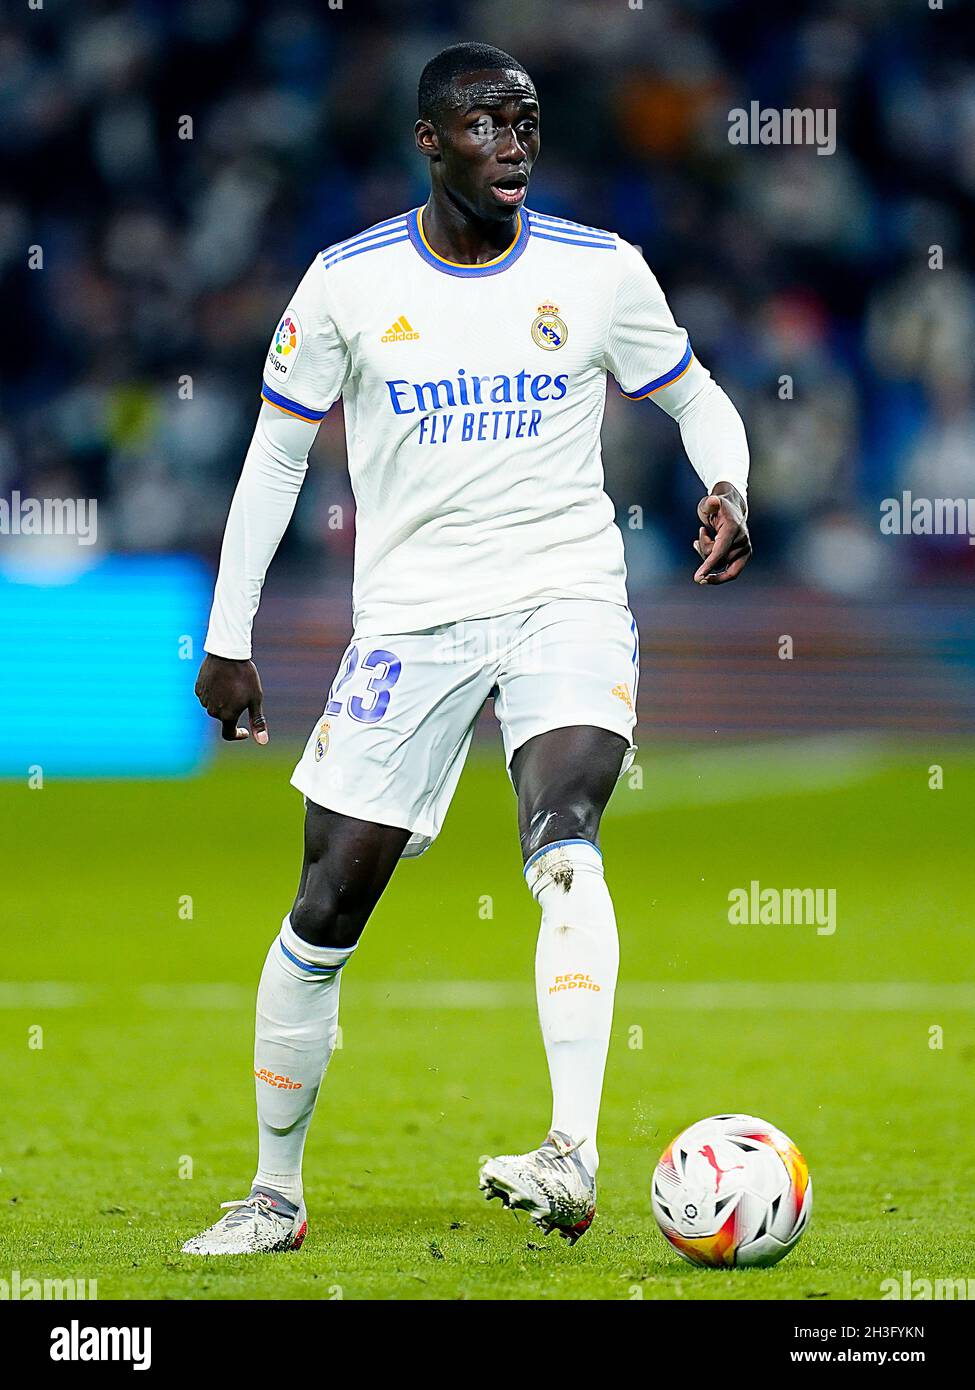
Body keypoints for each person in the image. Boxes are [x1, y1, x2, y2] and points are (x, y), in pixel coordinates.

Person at [183, 41, 751, 1256]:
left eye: (529, 124)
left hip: (566, 593)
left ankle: (570, 1152)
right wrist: (228, 638)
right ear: (431, 142)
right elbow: (276, 457)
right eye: (487, 126)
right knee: (327, 901)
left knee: (567, 838)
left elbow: (698, 396)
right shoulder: (345, 283)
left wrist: (729, 483)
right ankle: (275, 1195)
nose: (515, 145)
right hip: (409, 620)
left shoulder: (601, 273)